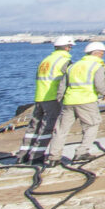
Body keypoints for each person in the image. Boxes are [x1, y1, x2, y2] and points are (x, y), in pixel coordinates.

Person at [46, 42, 105, 166]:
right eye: (102, 53)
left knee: (61, 129)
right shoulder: (97, 65)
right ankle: (81, 152)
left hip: (69, 101)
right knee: (91, 125)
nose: (103, 55)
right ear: (98, 53)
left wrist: (60, 98)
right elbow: (99, 84)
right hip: (87, 101)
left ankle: (53, 157)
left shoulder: (73, 66)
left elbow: (62, 85)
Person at [16, 36, 75, 164]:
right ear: (67, 47)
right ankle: (36, 156)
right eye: (70, 47)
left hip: (39, 97)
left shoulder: (45, 60)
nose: (70, 49)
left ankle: (23, 154)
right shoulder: (64, 61)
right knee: (48, 127)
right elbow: (67, 81)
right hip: (52, 97)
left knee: (33, 126)